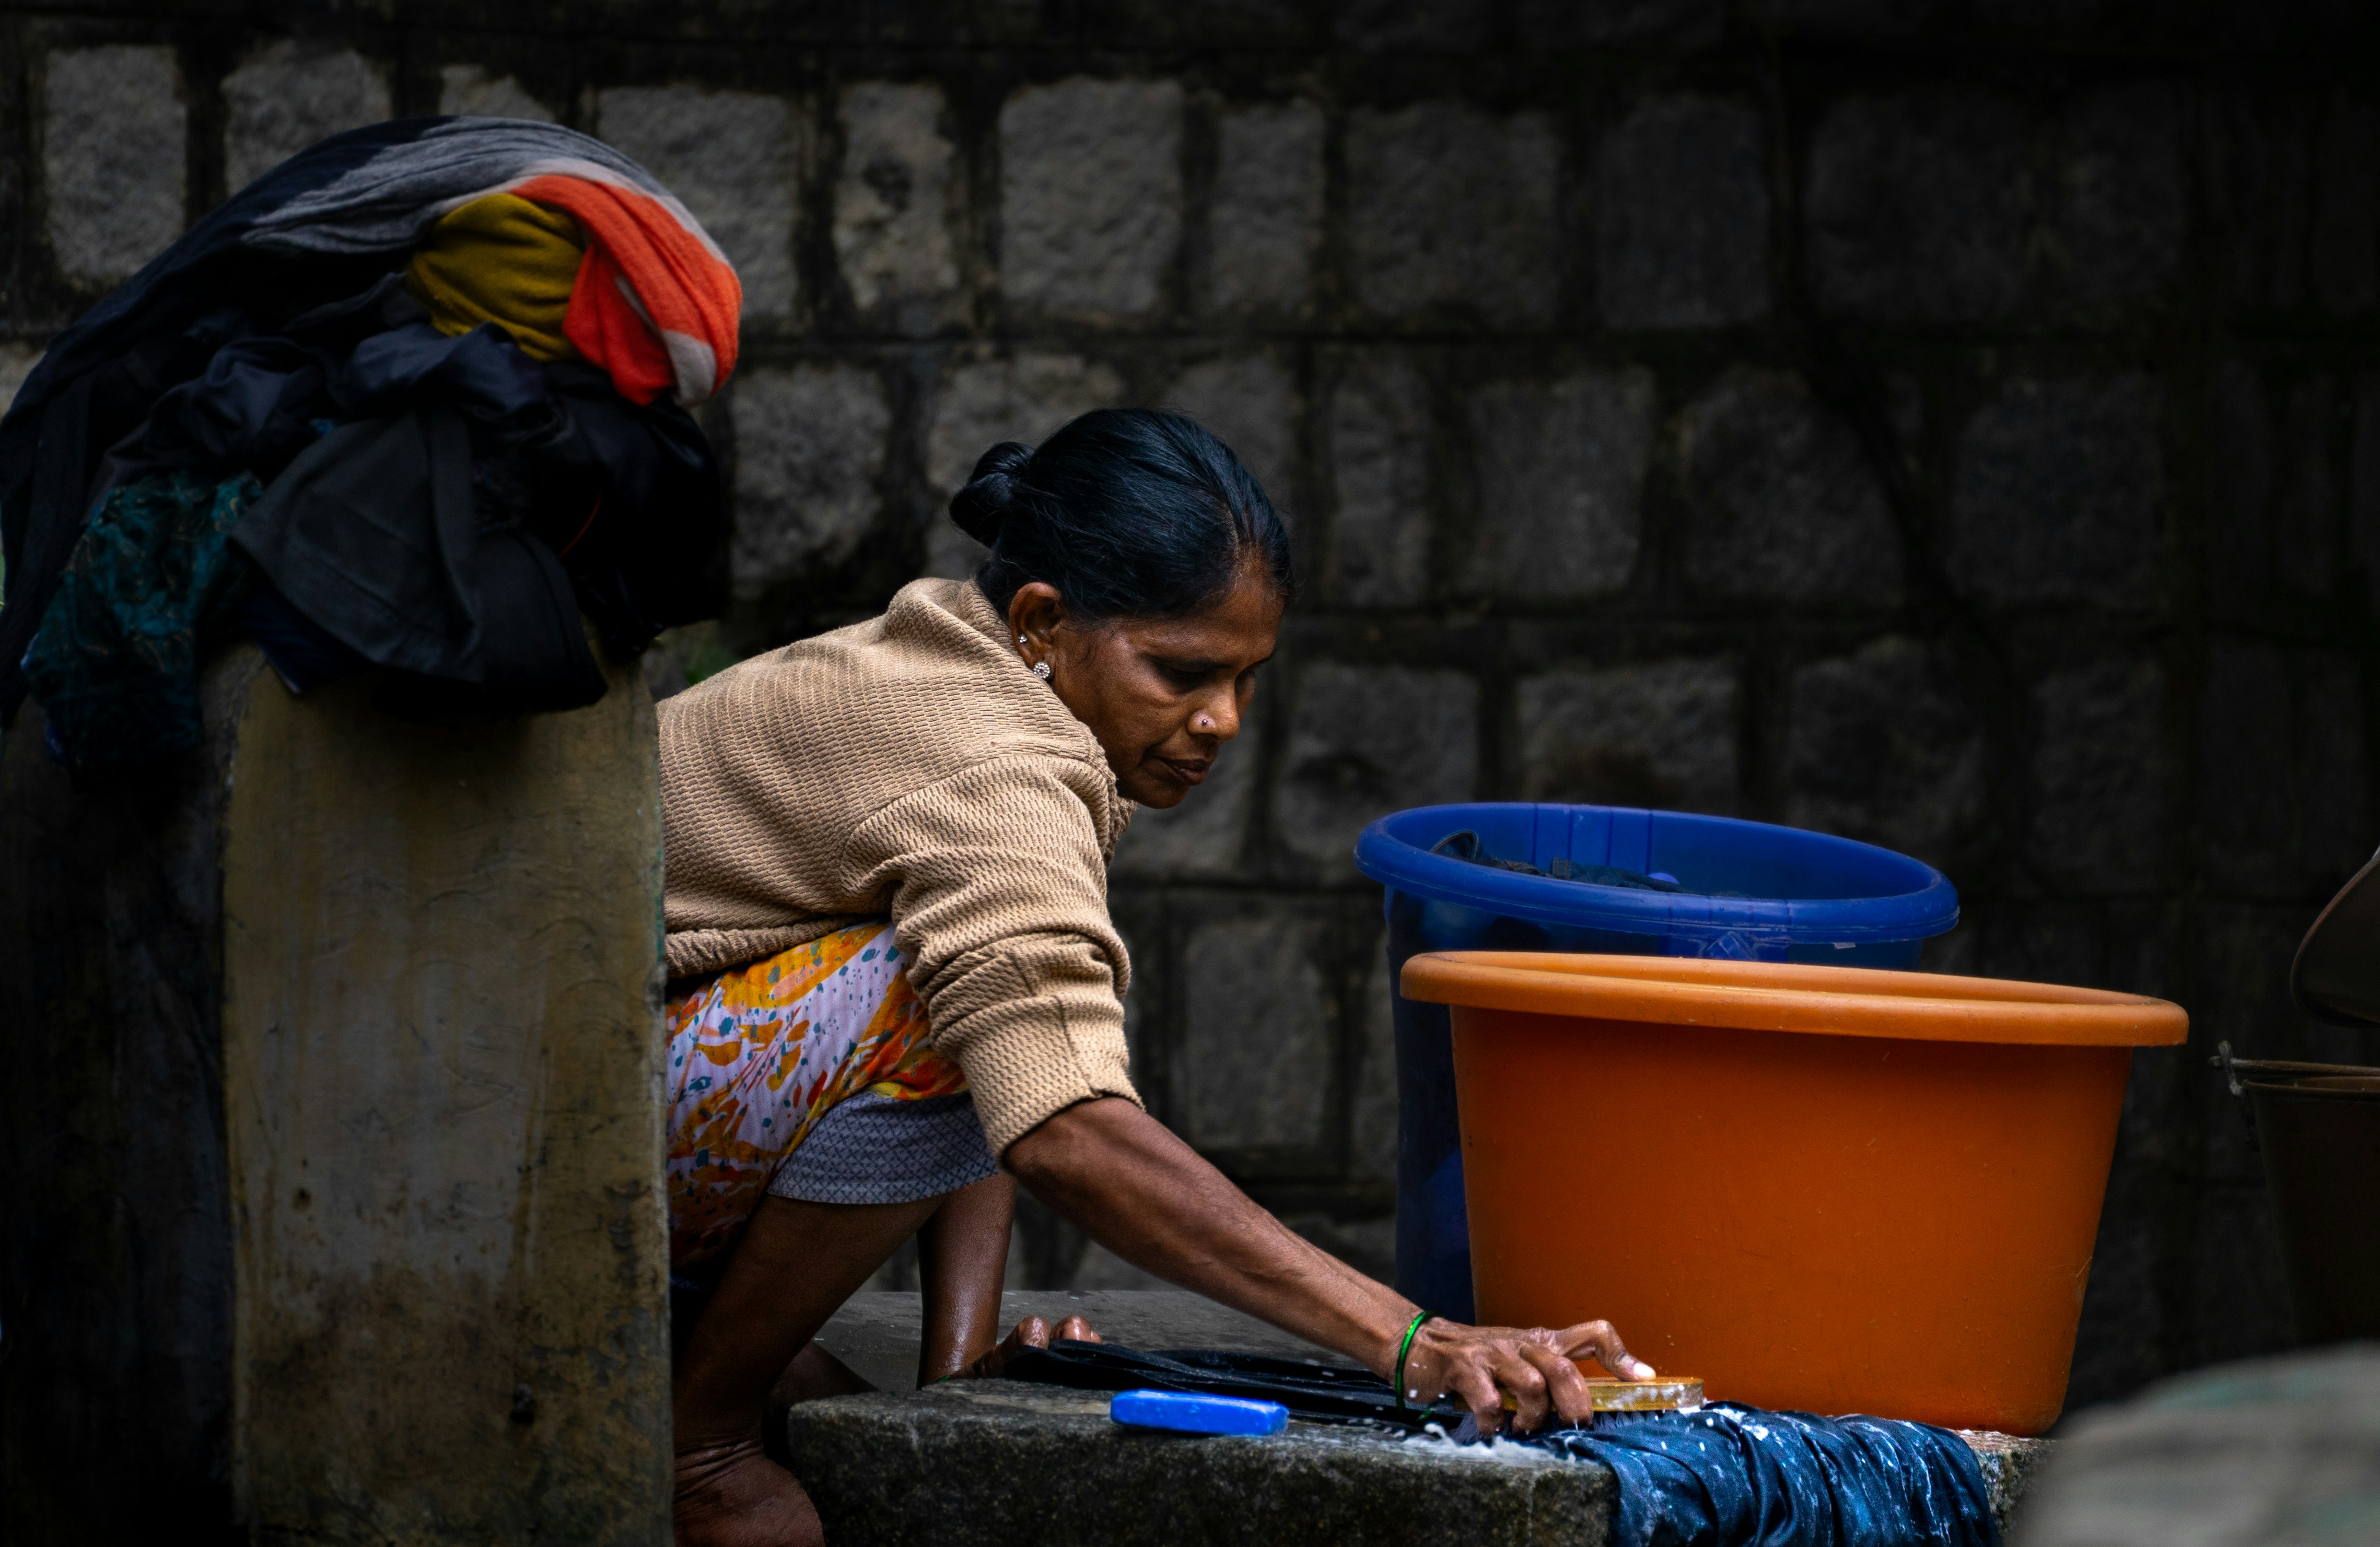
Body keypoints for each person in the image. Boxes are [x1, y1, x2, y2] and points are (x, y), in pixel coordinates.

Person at [658, 408, 1651, 1545]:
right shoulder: (998, 767)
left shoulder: (966, 662)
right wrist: (1414, 1336)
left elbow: (1005, 1034)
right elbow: (1060, 1123)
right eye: (1182, 671)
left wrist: (961, 1388)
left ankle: (747, 1379)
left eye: (1244, 678)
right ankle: (700, 1444)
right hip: (556, 1147)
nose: (1222, 719)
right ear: (1043, 620)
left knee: (985, 1003)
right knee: (948, 1009)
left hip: (644, 1091)